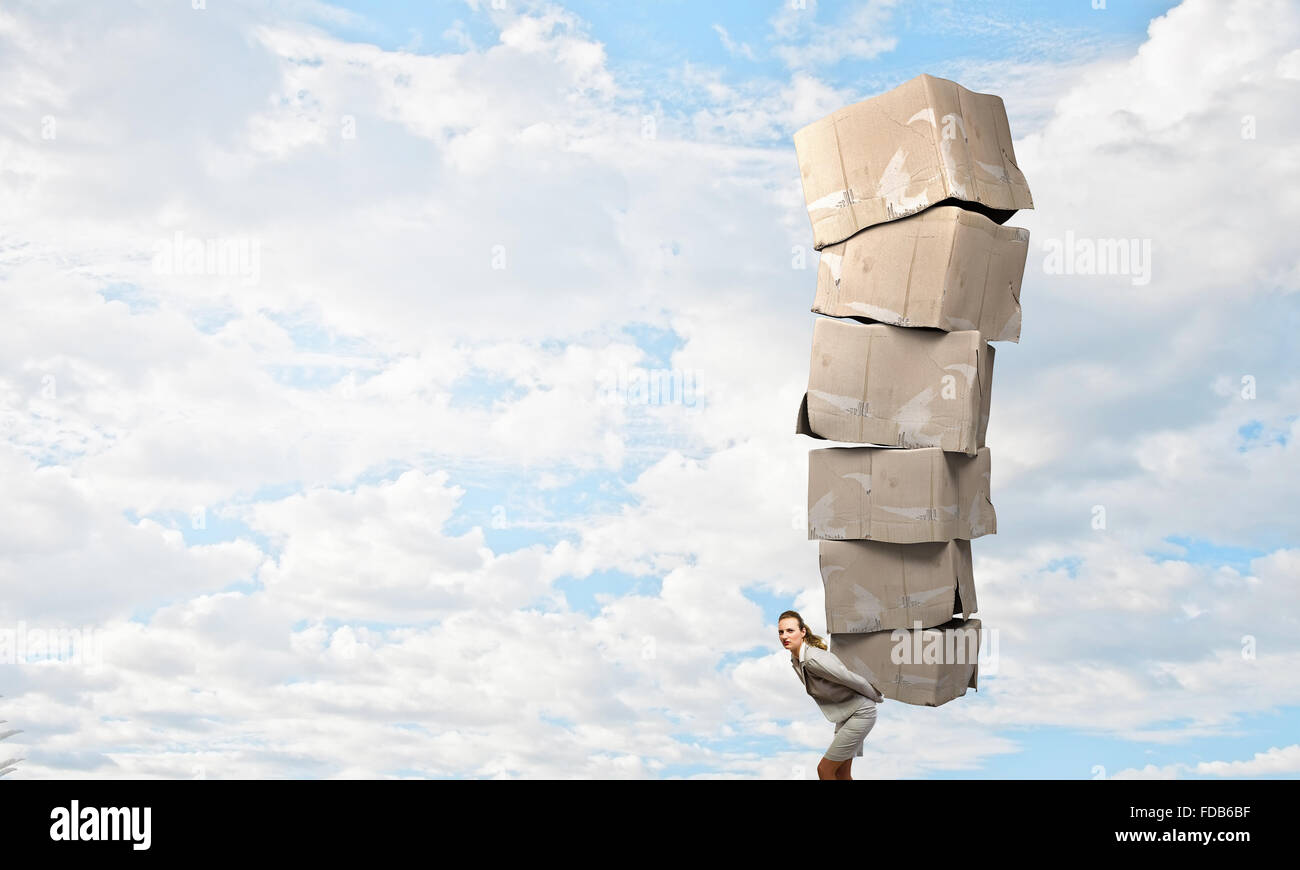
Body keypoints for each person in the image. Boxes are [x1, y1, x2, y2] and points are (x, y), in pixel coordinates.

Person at [780, 609, 884, 780]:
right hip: (847, 714)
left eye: (790, 631)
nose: (785, 636)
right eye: (781, 632)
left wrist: (875, 696)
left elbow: (849, 677)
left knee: (824, 770)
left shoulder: (813, 659)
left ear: (803, 631)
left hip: (861, 713)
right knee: (842, 774)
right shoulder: (796, 659)